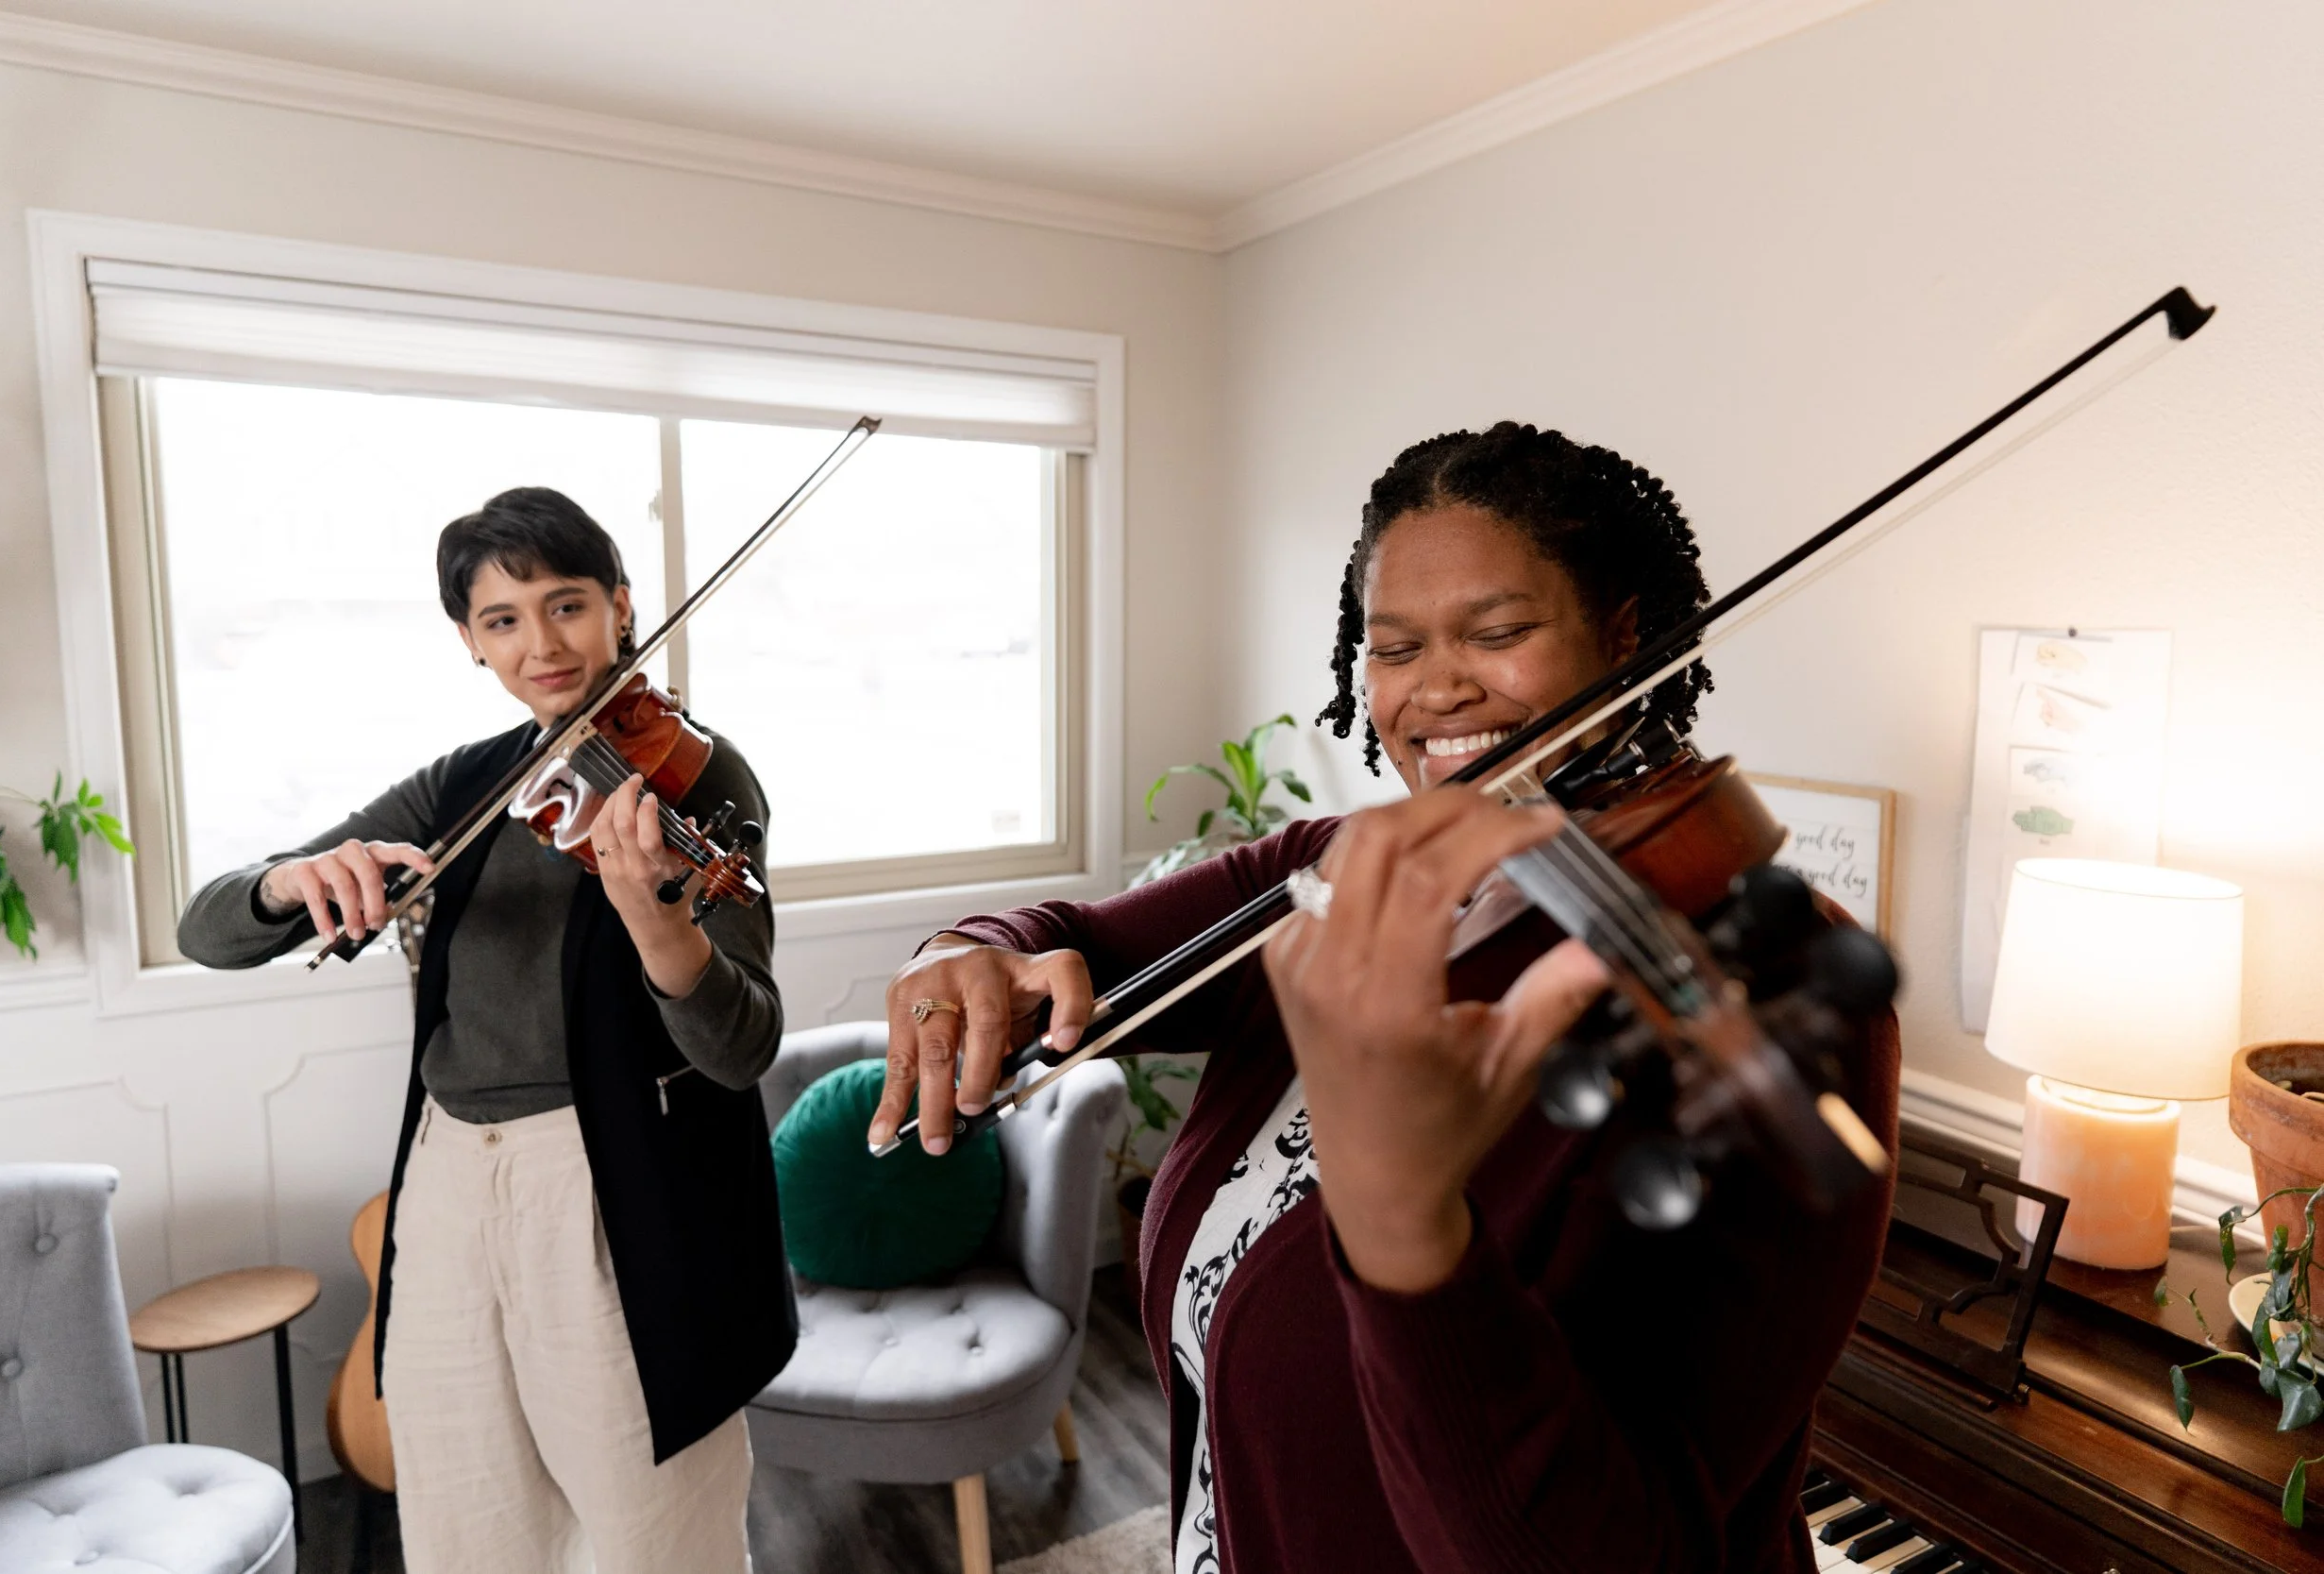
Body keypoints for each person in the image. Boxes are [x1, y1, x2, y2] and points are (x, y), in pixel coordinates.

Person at [868, 423, 1900, 1573]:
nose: (1438, 687)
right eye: (1394, 646)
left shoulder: (1766, 985)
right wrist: (968, 946)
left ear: (1623, 636)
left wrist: (1406, 1220)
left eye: (1500, 632)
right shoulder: (1338, 871)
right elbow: (1066, 939)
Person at [178, 488, 793, 1574]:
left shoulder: (695, 775)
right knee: (472, 1519)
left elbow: (740, 1047)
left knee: (658, 1530)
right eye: (502, 618)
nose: (542, 643)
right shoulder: (459, 784)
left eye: (566, 604)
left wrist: (660, 929)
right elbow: (208, 930)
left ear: (621, 607)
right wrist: (290, 880)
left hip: (611, 1180)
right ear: (468, 640)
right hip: (450, 1178)